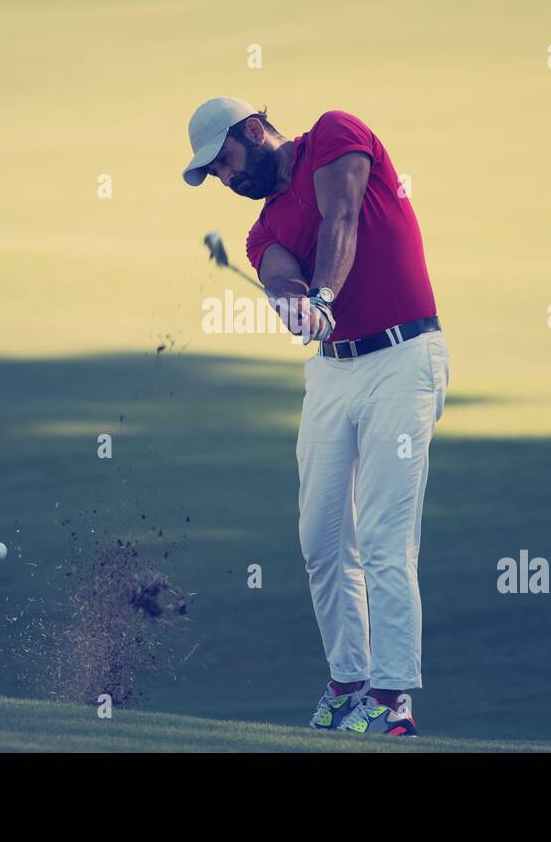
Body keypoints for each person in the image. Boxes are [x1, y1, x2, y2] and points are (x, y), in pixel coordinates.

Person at [183, 96, 449, 736]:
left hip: (402, 358)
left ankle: (391, 703)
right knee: (322, 540)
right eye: (215, 173)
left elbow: (343, 218)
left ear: (254, 130)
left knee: (385, 535)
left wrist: (324, 294)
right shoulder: (261, 231)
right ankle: (348, 684)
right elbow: (281, 275)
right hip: (333, 372)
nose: (227, 177)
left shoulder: (334, 135)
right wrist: (297, 305)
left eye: (226, 160)